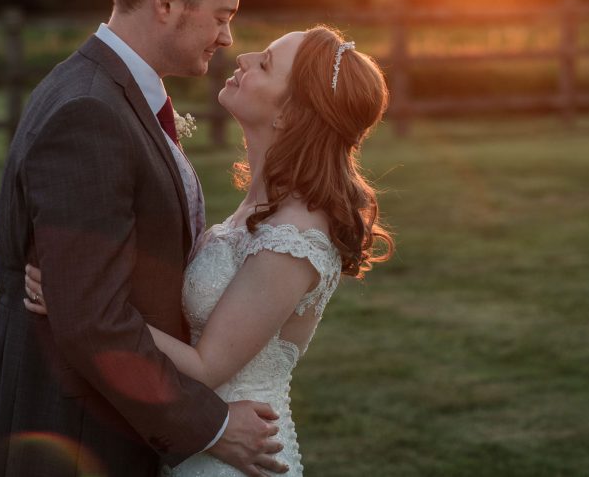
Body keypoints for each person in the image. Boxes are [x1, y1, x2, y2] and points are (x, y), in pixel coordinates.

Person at [0, 0, 288, 477]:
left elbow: (93, 293)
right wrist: (210, 425)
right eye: (220, 15)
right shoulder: (90, 110)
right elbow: (92, 319)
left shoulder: (106, 91)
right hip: (73, 437)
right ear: (166, 1)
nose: (227, 36)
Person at [23, 25, 394, 476]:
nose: (244, 57)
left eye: (266, 63)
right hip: (194, 445)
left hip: (233, 461)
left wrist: (82, 302)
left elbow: (205, 366)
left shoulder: (296, 234)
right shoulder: (262, 208)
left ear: (289, 115)